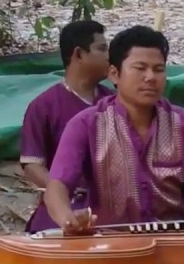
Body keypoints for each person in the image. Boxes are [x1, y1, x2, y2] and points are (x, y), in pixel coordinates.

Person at [45, 25, 184, 232]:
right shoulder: (86, 124)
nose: (150, 77)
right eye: (140, 68)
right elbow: (58, 186)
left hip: (172, 238)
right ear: (114, 74)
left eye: (159, 69)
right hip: (108, 240)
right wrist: (68, 219)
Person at [18, 20, 113, 232]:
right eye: (102, 49)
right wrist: (60, 191)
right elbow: (32, 164)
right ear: (78, 54)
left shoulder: (115, 102)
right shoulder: (43, 106)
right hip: (67, 204)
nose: (109, 56)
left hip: (111, 204)